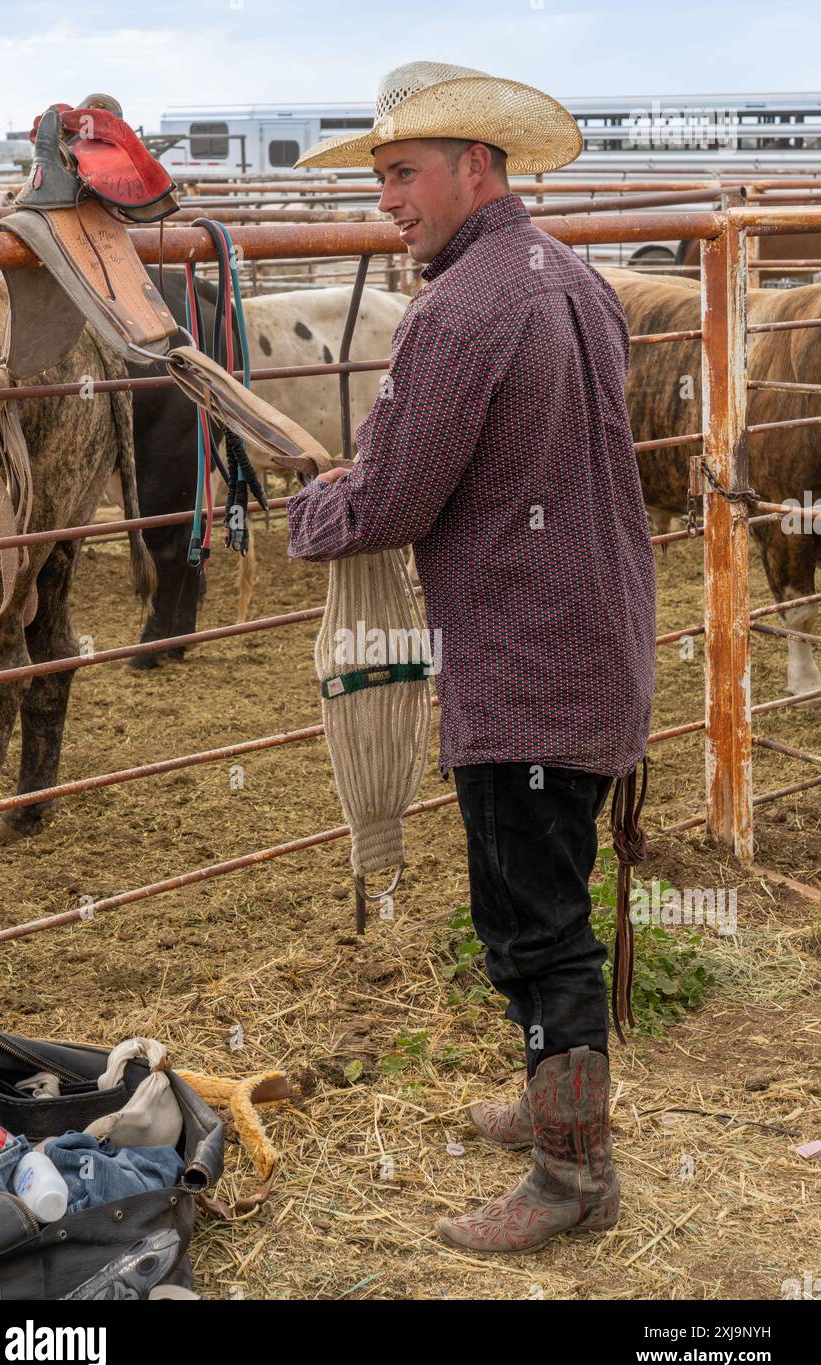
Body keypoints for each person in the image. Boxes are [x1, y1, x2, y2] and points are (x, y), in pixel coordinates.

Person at [285, 61, 656, 1254]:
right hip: (594, 636)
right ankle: (557, 1110)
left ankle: (569, 1176)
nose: (387, 197)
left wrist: (313, 514)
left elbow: (391, 496)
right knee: (548, 903)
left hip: (523, 660)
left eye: (401, 174)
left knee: (534, 923)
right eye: (382, 176)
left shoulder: (456, 310)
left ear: (473, 169)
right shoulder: (571, 277)